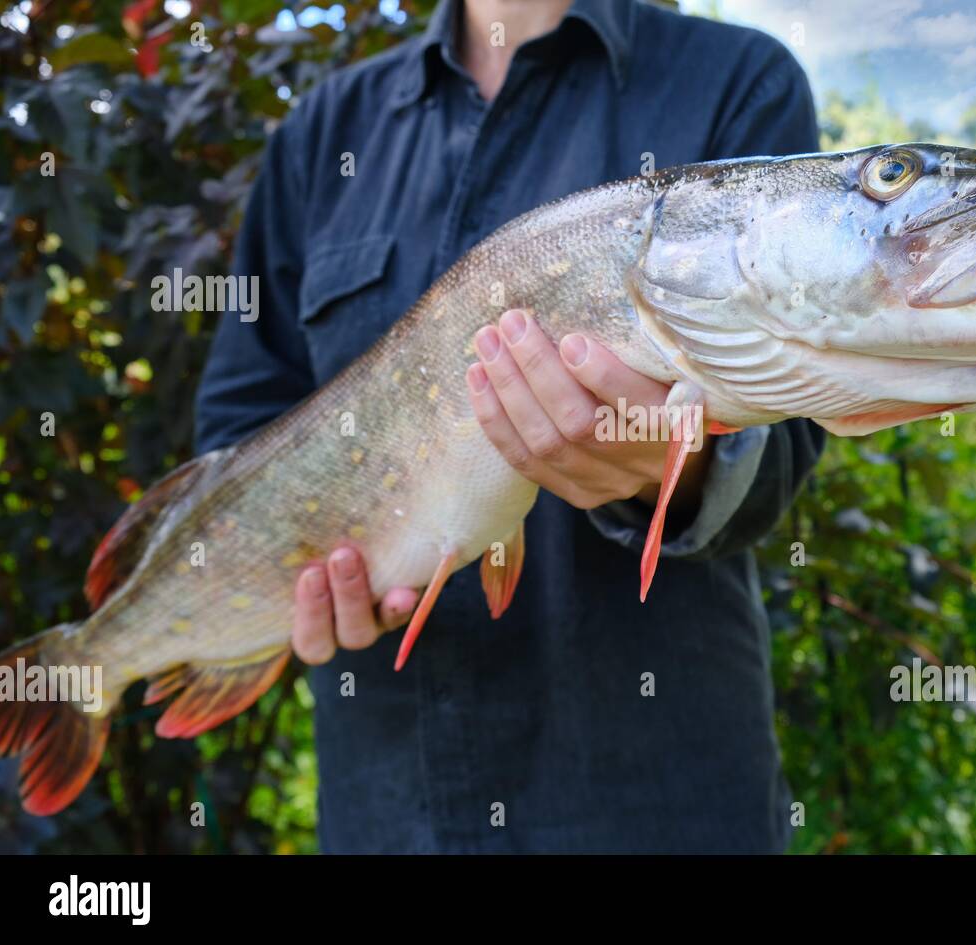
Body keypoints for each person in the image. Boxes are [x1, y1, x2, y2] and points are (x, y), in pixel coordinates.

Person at [196, 0, 824, 853]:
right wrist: (284, 570)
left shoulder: (738, 78)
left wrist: (660, 470)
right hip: (387, 810)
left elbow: (783, 445)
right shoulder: (323, 130)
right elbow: (241, 419)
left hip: (659, 805)